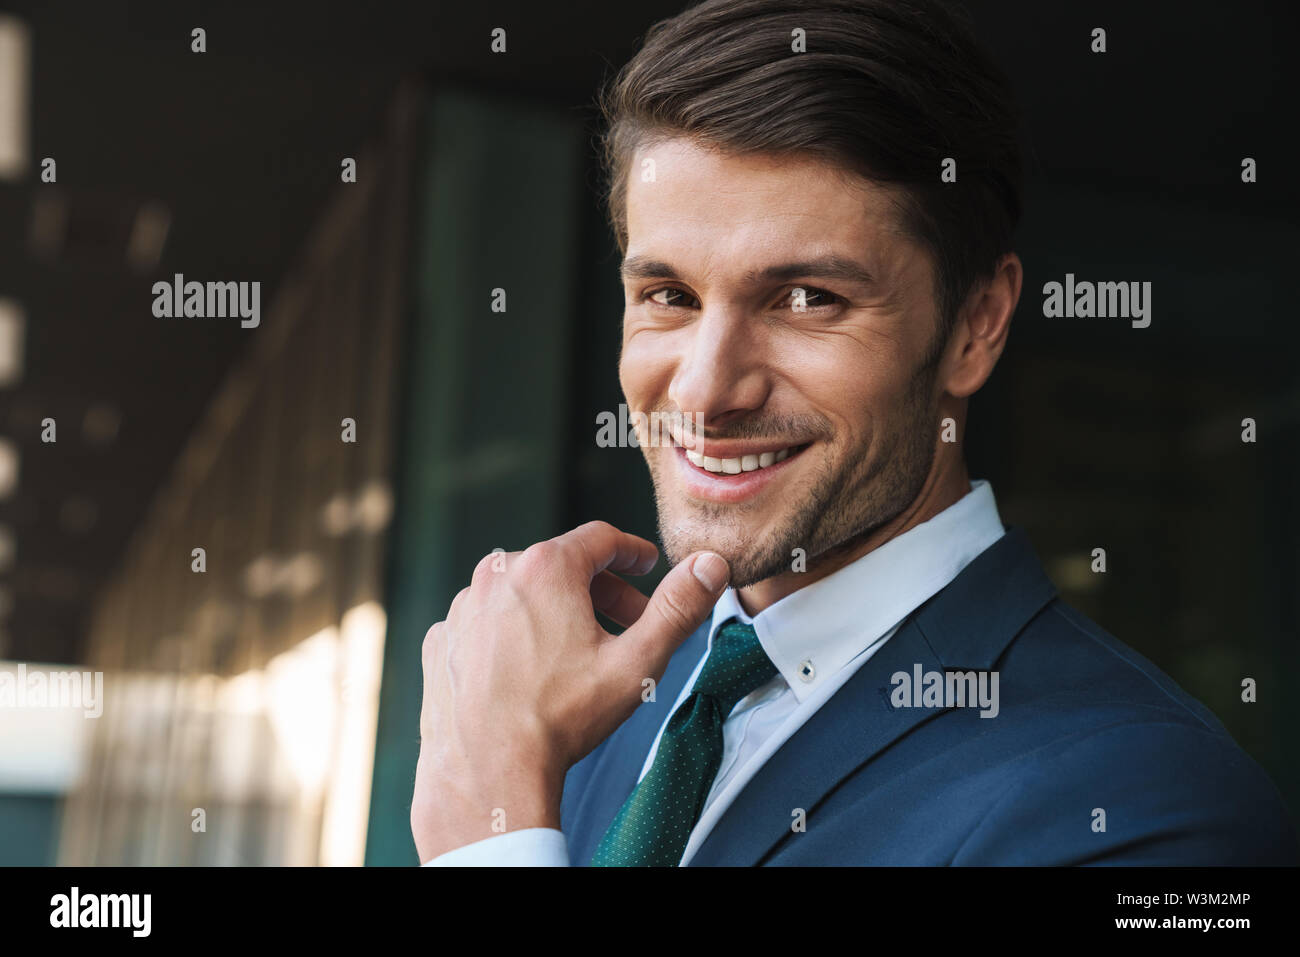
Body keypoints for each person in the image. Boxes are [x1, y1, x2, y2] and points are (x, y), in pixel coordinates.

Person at [410, 0, 1298, 866]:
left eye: (808, 300)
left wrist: (491, 839)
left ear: (975, 325)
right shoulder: (575, 713)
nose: (707, 389)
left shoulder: (1156, 810)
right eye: (670, 296)